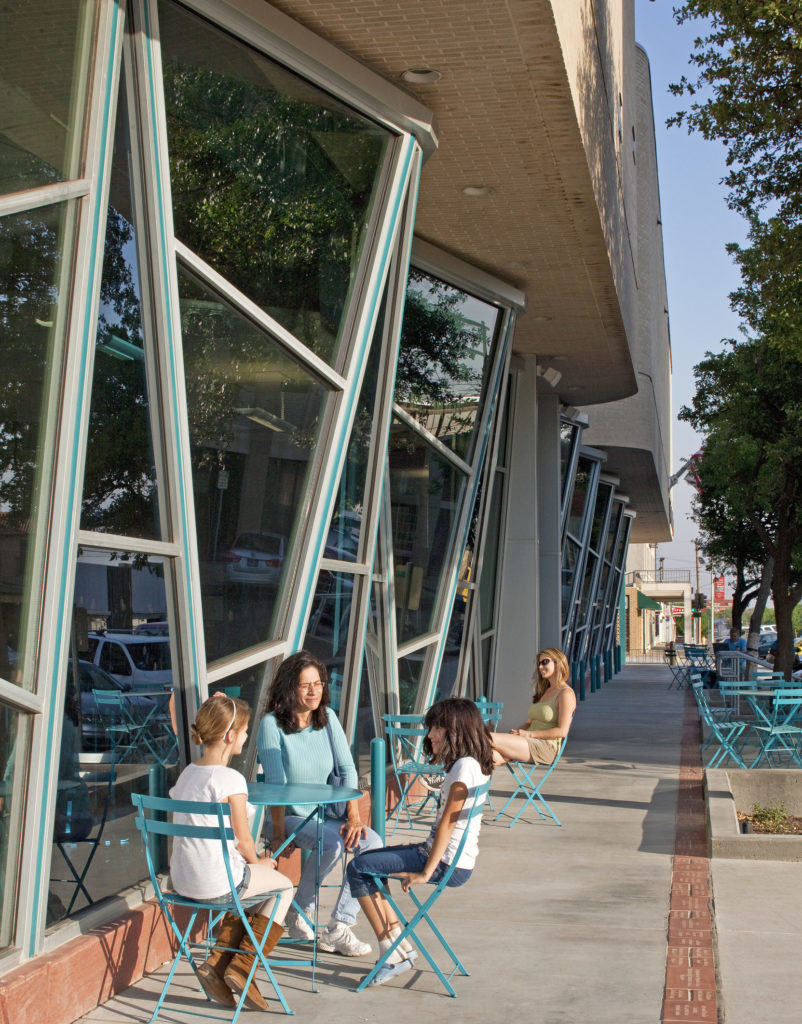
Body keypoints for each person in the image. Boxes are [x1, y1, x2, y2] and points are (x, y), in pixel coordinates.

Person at [346, 697, 494, 987]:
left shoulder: (463, 769)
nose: (430, 735)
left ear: (456, 730)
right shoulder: (474, 764)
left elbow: (449, 824)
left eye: (438, 728)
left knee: (358, 868)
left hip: (443, 862)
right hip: (454, 859)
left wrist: (427, 872)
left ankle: (391, 951)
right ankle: (399, 944)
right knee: (372, 860)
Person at [169, 694, 294, 1012]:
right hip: (218, 884)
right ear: (229, 735)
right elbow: (243, 841)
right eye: (244, 730)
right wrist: (260, 863)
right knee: (282, 887)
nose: (247, 736)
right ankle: (243, 966)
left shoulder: (186, 775)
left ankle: (217, 962)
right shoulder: (230, 779)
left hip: (182, 883)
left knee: (251, 887)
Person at [256, 650, 382, 956]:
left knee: (372, 843)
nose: (315, 691)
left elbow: (349, 769)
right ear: (289, 688)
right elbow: (275, 786)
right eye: (305, 685)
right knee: (333, 845)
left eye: (319, 683)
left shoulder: (329, 720)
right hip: (291, 818)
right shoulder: (271, 725)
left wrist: (354, 817)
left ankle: (339, 925)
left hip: (330, 817)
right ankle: (300, 909)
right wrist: (276, 834)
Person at [490, 647, 576, 766]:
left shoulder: (566, 693)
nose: (540, 667)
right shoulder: (545, 691)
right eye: (539, 663)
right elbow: (529, 722)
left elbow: (562, 731)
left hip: (545, 747)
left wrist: (529, 734)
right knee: (486, 756)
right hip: (526, 741)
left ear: (558, 663)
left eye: (545, 662)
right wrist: (516, 732)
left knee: (486, 738)